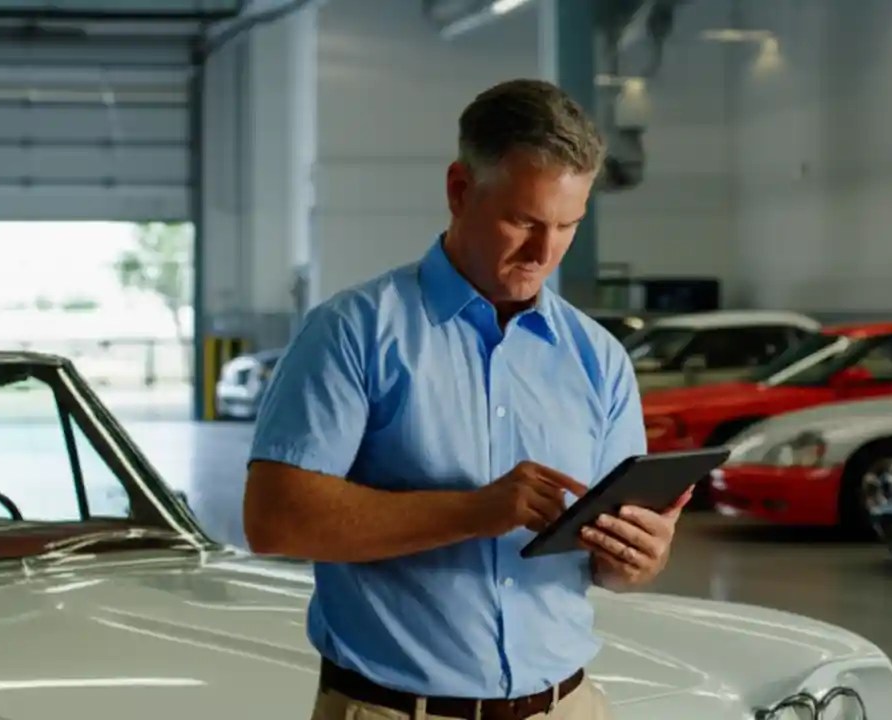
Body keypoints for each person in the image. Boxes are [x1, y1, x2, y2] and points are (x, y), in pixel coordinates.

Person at [243, 78, 691, 720]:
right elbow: (275, 520)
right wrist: (476, 511)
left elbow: (609, 569)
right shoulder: (353, 332)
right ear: (459, 190)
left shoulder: (599, 359)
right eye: (523, 221)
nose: (545, 252)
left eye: (567, 225)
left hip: (567, 706)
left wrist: (639, 555)